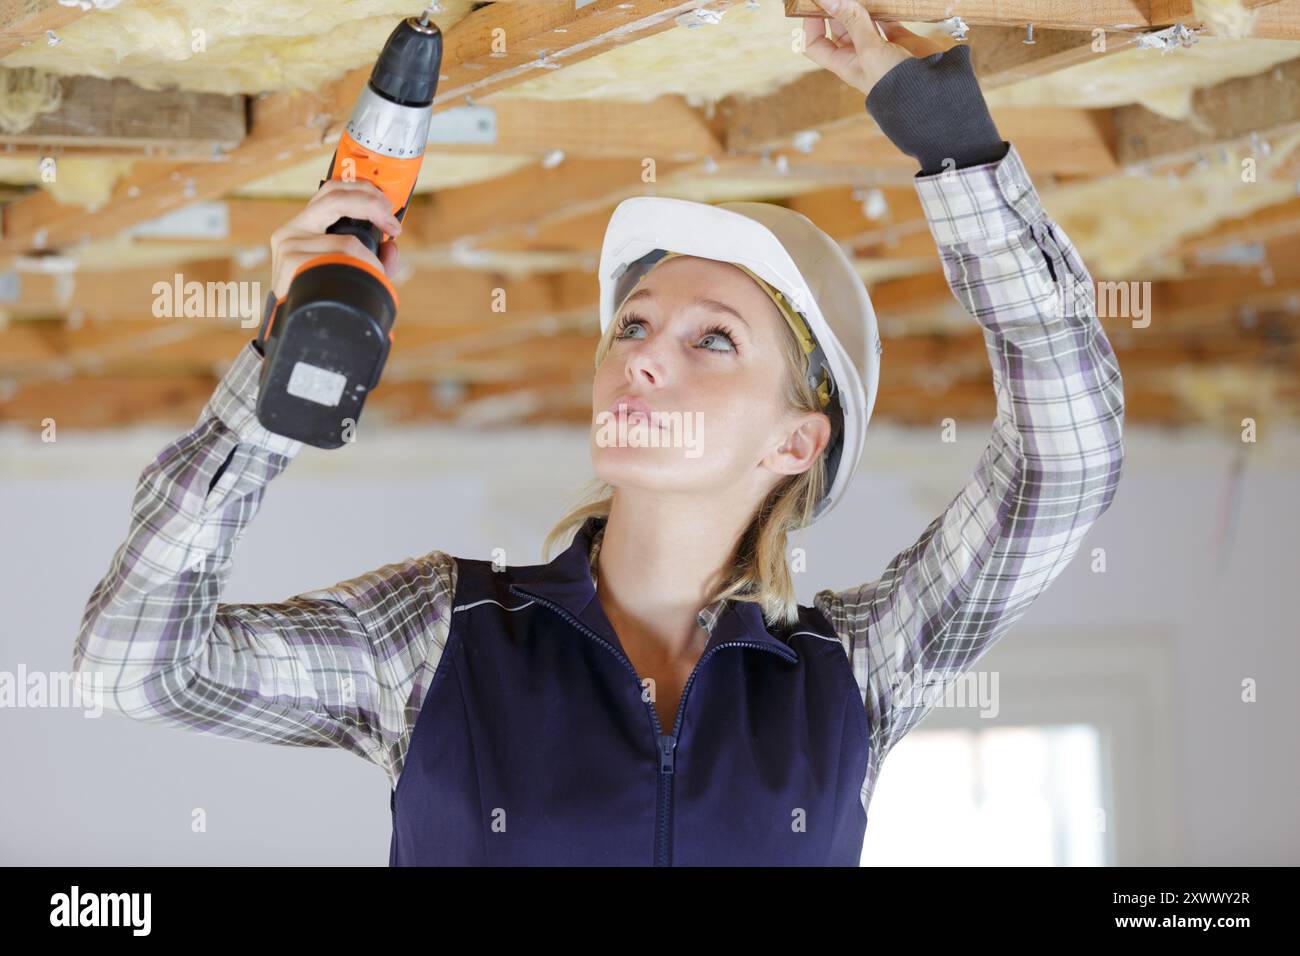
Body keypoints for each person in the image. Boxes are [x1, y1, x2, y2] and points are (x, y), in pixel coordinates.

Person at [73, 0, 1125, 866]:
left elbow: (1065, 460)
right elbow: (136, 667)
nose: (642, 355)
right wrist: (285, 369)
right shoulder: (442, 635)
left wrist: (959, 154)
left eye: (712, 340)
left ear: (795, 442)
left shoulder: (849, 672)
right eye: (632, 323)